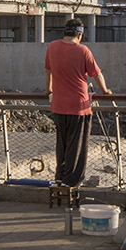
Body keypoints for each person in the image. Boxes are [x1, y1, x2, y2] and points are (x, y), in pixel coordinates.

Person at [44, 19, 111, 186]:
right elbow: (97, 74)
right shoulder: (83, 50)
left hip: (59, 106)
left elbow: (48, 72)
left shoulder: (52, 47)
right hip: (79, 107)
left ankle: (59, 179)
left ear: (65, 33)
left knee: (62, 146)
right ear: (80, 35)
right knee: (77, 147)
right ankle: (71, 183)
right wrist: (105, 91)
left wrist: (49, 91)